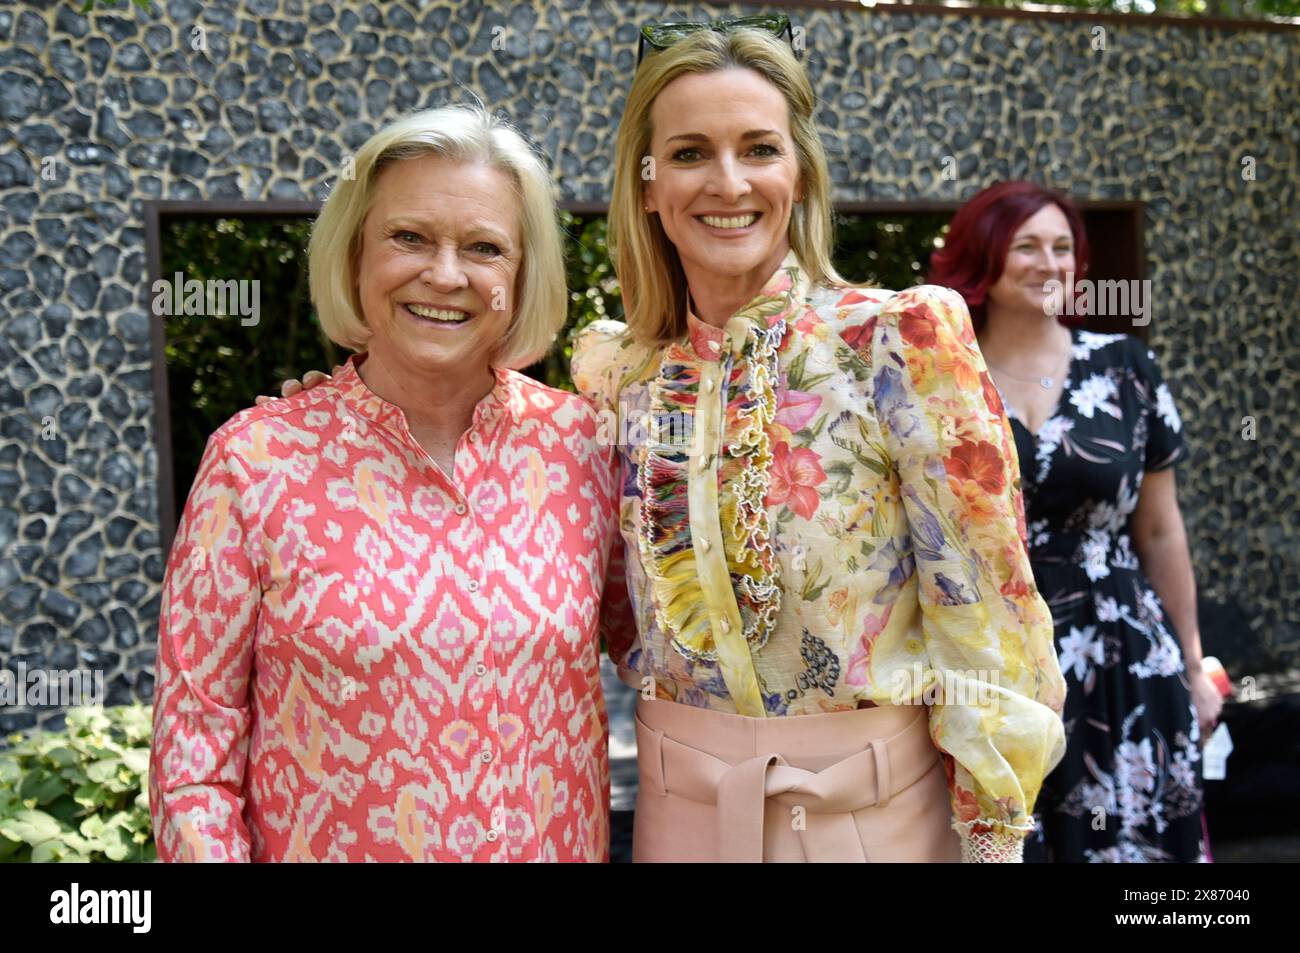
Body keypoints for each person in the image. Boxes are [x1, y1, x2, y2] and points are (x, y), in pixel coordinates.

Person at [570, 23, 1067, 862]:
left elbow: (986, 613)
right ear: (647, 185)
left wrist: (992, 829)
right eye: (689, 153)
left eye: (759, 148)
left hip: (872, 823)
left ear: (798, 172)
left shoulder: (897, 341)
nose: (729, 182)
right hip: (676, 820)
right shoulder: (616, 374)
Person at [150, 105, 618, 862]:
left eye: (484, 247)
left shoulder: (586, 448)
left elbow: (676, 655)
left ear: (521, 273)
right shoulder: (254, 461)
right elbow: (191, 759)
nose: (445, 274)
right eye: (409, 237)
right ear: (354, 256)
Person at [929, 180, 1221, 862]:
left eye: (1063, 248)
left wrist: (1193, 663)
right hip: (992, 658)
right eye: (1027, 246)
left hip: (1124, 649)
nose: (1050, 263)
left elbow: (1161, 531)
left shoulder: (1126, 367)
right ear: (982, 257)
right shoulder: (942, 376)